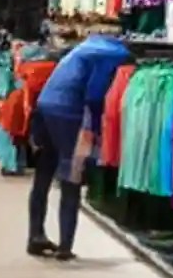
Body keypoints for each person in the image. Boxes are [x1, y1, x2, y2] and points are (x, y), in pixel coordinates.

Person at [27, 34, 129, 261]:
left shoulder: (84, 48)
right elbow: (93, 94)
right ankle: (65, 246)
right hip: (68, 112)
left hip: (44, 106)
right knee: (71, 175)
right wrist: (94, 128)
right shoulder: (112, 56)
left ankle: (35, 236)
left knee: (43, 174)